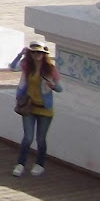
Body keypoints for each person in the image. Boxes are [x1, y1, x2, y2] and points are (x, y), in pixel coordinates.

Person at [10, 41, 62, 176]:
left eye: (39, 52)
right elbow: (13, 67)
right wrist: (21, 54)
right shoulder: (27, 66)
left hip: (45, 108)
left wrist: (53, 86)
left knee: (40, 139)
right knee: (27, 138)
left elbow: (60, 88)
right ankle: (20, 164)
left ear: (44, 54)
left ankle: (39, 164)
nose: (36, 55)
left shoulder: (50, 69)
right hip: (29, 106)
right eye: (33, 52)